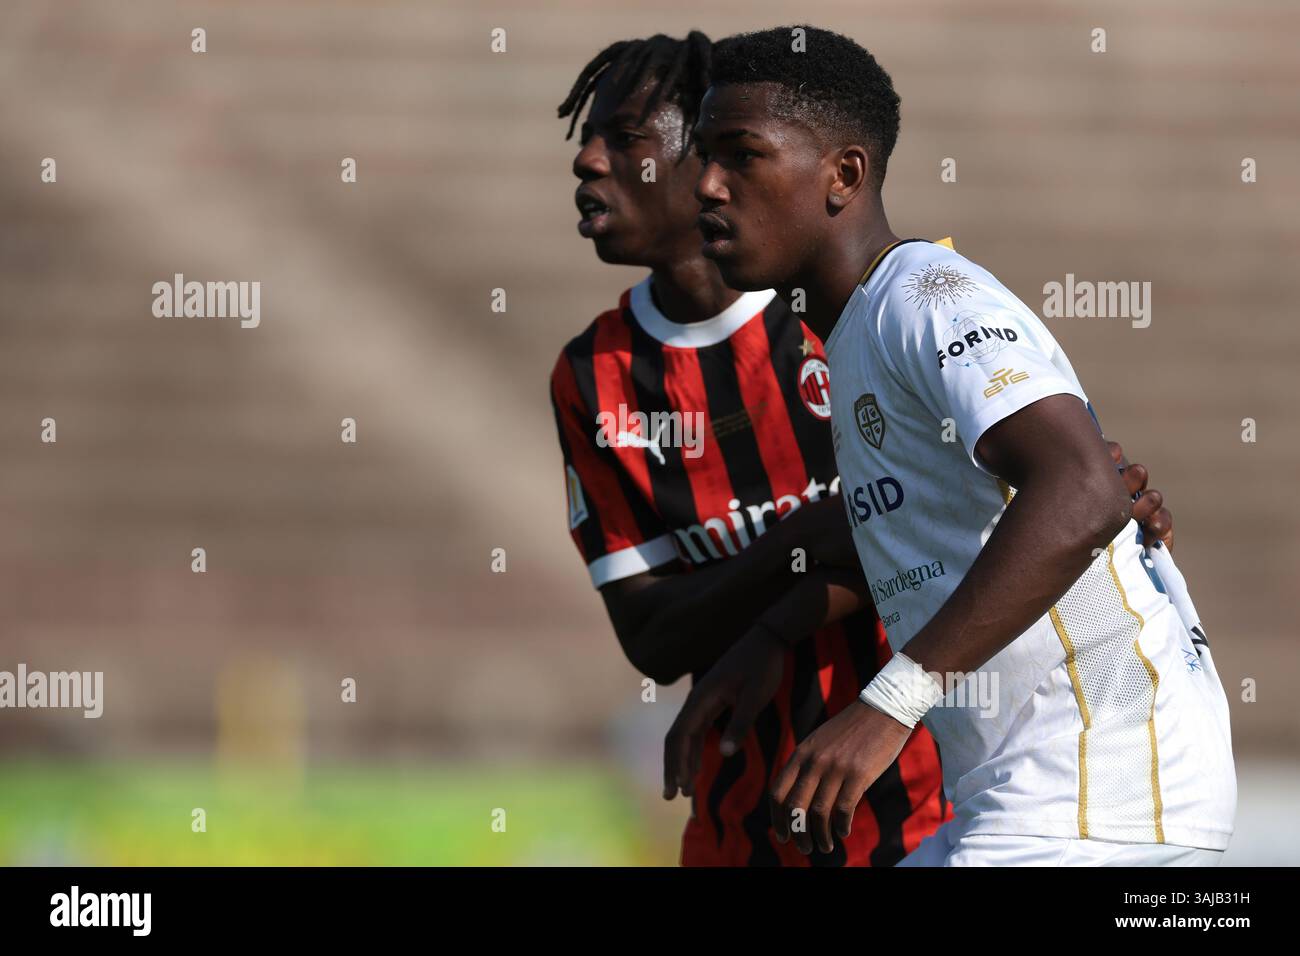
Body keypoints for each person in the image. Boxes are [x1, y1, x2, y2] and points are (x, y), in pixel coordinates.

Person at [550, 32, 1176, 866]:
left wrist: (785, 611)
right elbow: (655, 636)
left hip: (920, 796)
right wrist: (818, 542)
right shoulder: (596, 374)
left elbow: (1041, 497)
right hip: (743, 817)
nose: (587, 161)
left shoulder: (846, 316)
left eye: (625, 139)